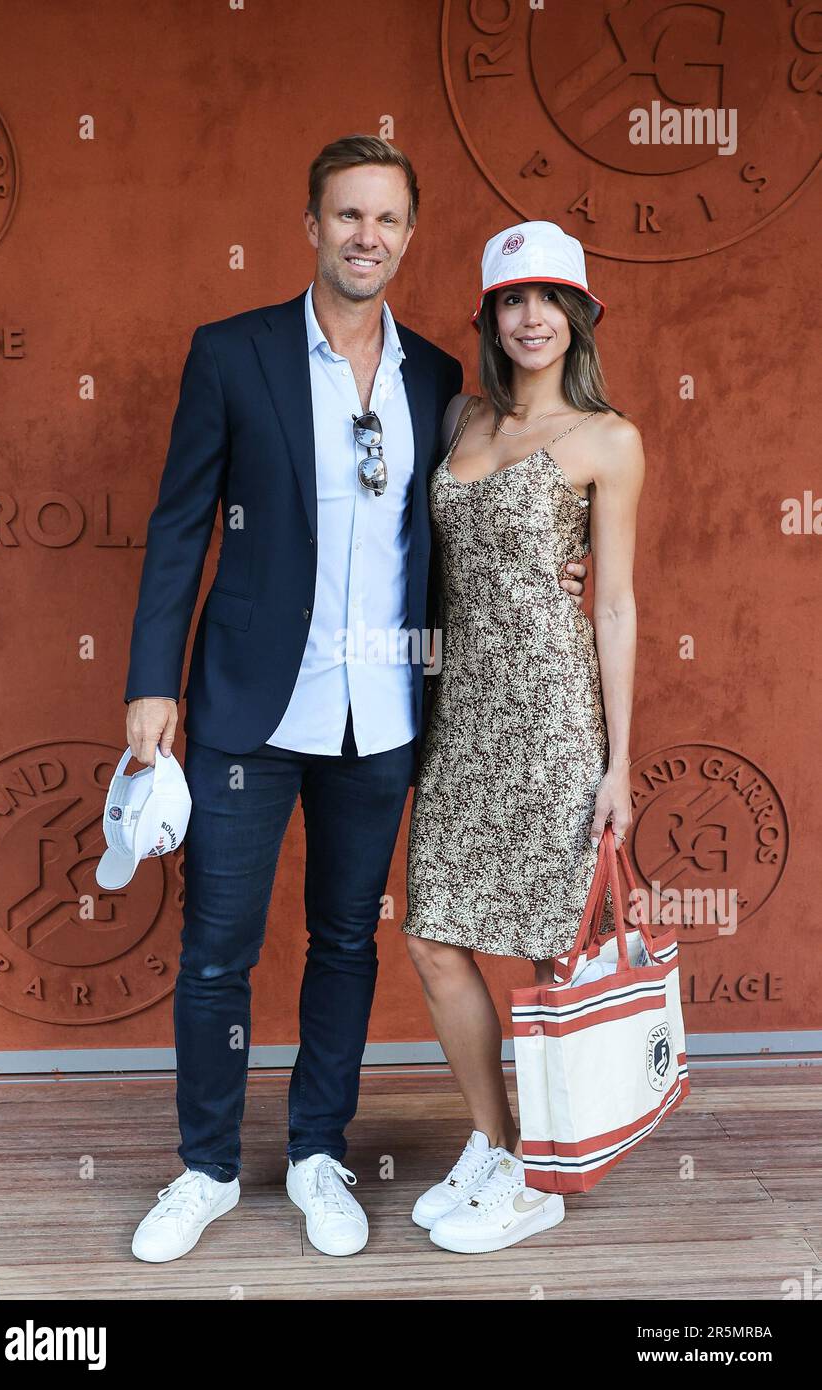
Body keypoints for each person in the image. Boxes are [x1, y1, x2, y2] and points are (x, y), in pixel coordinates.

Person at [121, 141, 591, 1262]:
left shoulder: (439, 382)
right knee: (217, 950)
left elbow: (485, 520)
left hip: (383, 713)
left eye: (386, 219)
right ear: (312, 225)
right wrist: (149, 681)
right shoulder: (231, 355)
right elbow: (182, 523)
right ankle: (207, 1167)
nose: (366, 236)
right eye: (347, 216)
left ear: (409, 236)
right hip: (247, 705)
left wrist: (551, 578)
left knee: (346, 941)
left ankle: (322, 1155)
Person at [401, 220, 645, 1255]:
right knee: (431, 933)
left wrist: (619, 761)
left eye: (551, 298)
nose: (532, 316)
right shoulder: (460, 413)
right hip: (458, 714)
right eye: (512, 299)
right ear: (491, 317)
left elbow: (619, 603)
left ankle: (543, 1173)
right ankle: (498, 1146)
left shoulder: (610, 438)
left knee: (554, 950)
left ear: (580, 315)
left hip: (552, 717)